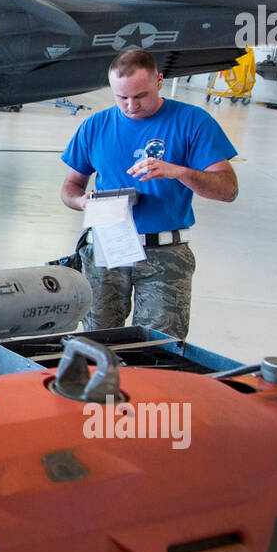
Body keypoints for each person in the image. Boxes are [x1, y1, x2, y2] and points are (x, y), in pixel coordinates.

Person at [60, 49, 238, 339]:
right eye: (121, 97)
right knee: (95, 343)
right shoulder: (95, 126)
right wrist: (82, 202)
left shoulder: (193, 121)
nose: (131, 105)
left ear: (159, 81)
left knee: (159, 348)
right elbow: (70, 187)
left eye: (140, 96)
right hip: (106, 248)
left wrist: (178, 172)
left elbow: (228, 190)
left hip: (164, 255)